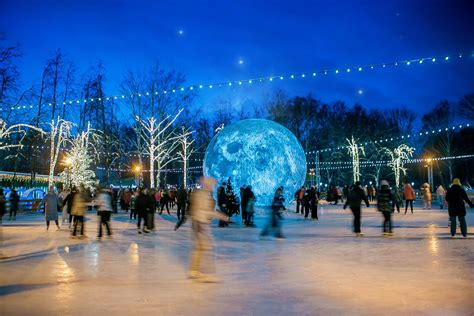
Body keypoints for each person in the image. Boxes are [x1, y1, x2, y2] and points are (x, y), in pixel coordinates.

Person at [188, 176, 229, 282]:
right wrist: (222, 216)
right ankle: (206, 272)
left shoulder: (204, 195)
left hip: (200, 224)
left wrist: (223, 217)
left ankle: (194, 271)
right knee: (206, 248)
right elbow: (202, 211)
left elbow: (207, 211)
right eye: (211, 185)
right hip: (200, 225)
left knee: (201, 248)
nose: (212, 187)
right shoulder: (201, 195)